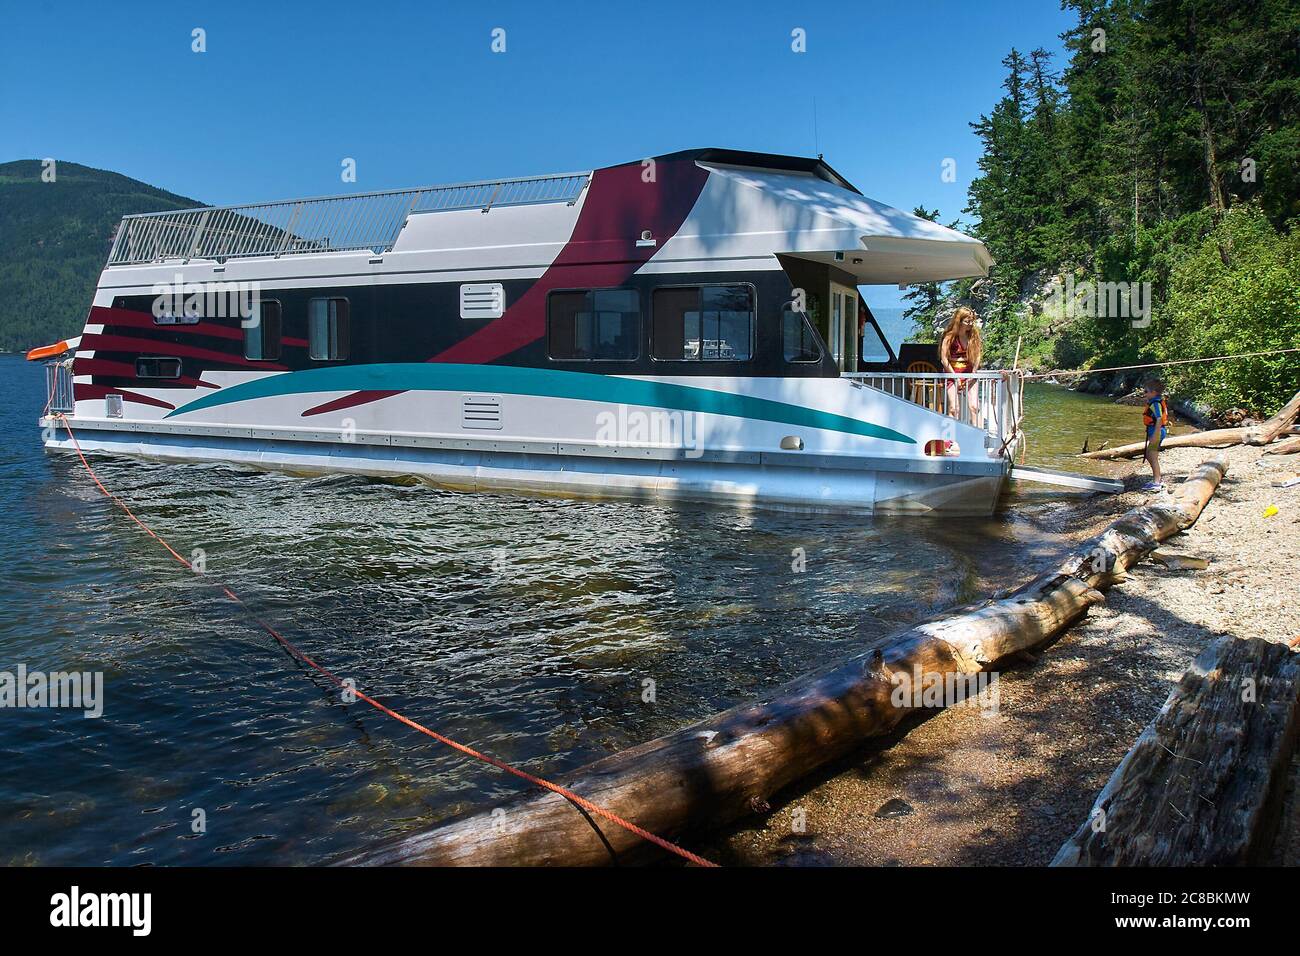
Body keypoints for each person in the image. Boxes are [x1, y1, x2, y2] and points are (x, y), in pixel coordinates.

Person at [939, 307, 982, 424]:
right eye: (967, 321)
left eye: (972, 321)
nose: (970, 324)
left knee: (974, 407)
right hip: (952, 373)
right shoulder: (949, 337)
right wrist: (954, 377)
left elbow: (977, 355)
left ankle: (977, 436)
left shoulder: (973, 336)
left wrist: (974, 372)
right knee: (954, 408)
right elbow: (944, 359)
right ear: (959, 321)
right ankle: (951, 438)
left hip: (969, 373)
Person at [1141, 377, 1169, 492]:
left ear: (1153, 392)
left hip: (1157, 432)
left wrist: (1155, 436)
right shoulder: (1155, 401)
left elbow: (1158, 419)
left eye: (1146, 391)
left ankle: (1157, 482)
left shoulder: (1155, 404)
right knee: (1150, 455)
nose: (1144, 394)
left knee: (1152, 456)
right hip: (1156, 431)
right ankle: (1157, 479)